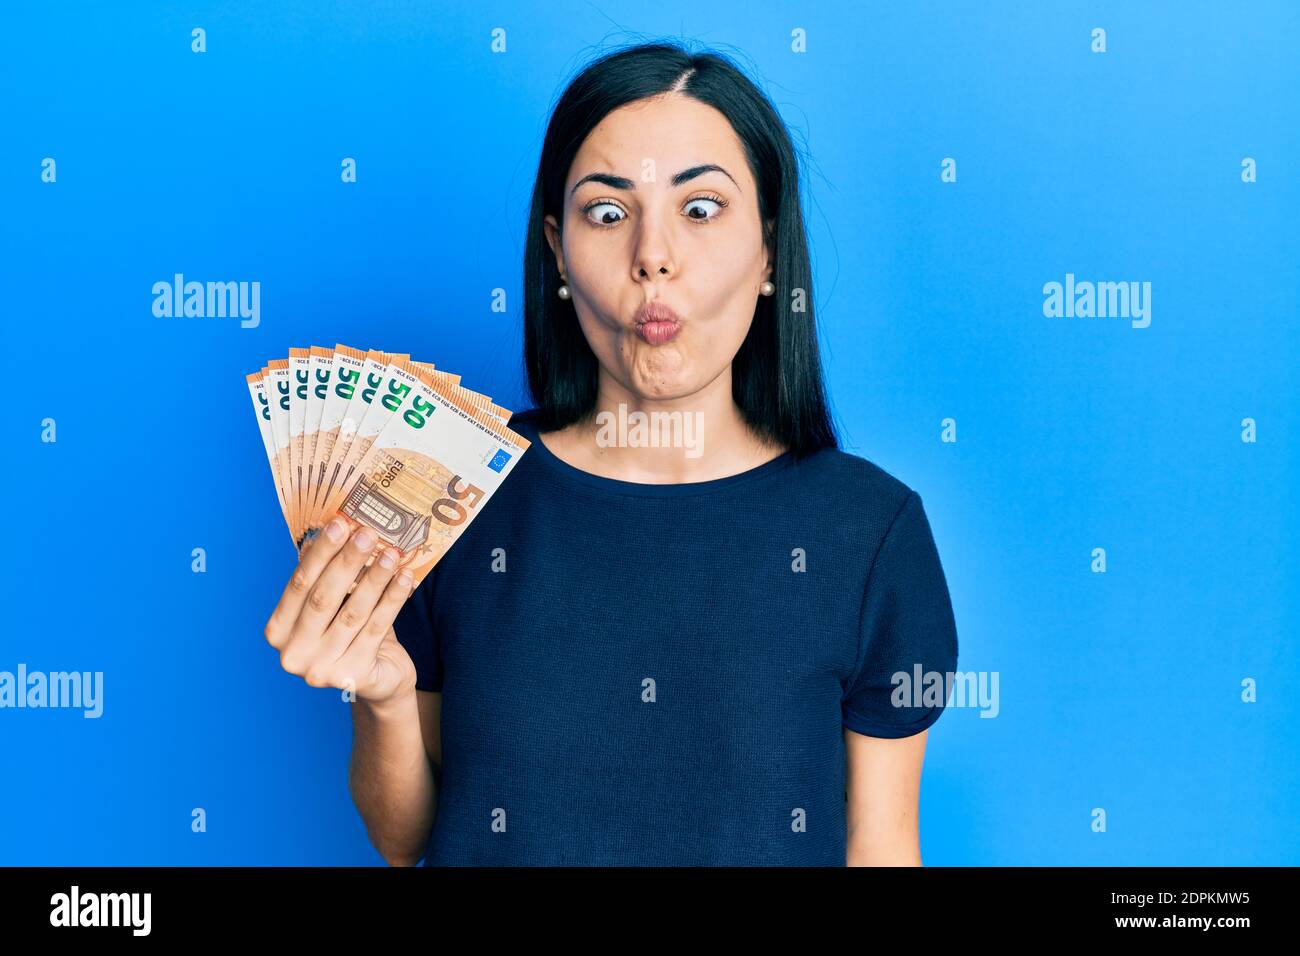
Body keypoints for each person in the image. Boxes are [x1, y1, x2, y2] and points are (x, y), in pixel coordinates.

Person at [263, 40, 959, 866]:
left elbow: (880, 845)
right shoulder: (449, 485)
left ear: (770, 250)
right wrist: (381, 698)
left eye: (700, 209)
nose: (652, 256)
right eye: (607, 211)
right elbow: (404, 836)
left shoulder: (870, 533)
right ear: (557, 251)